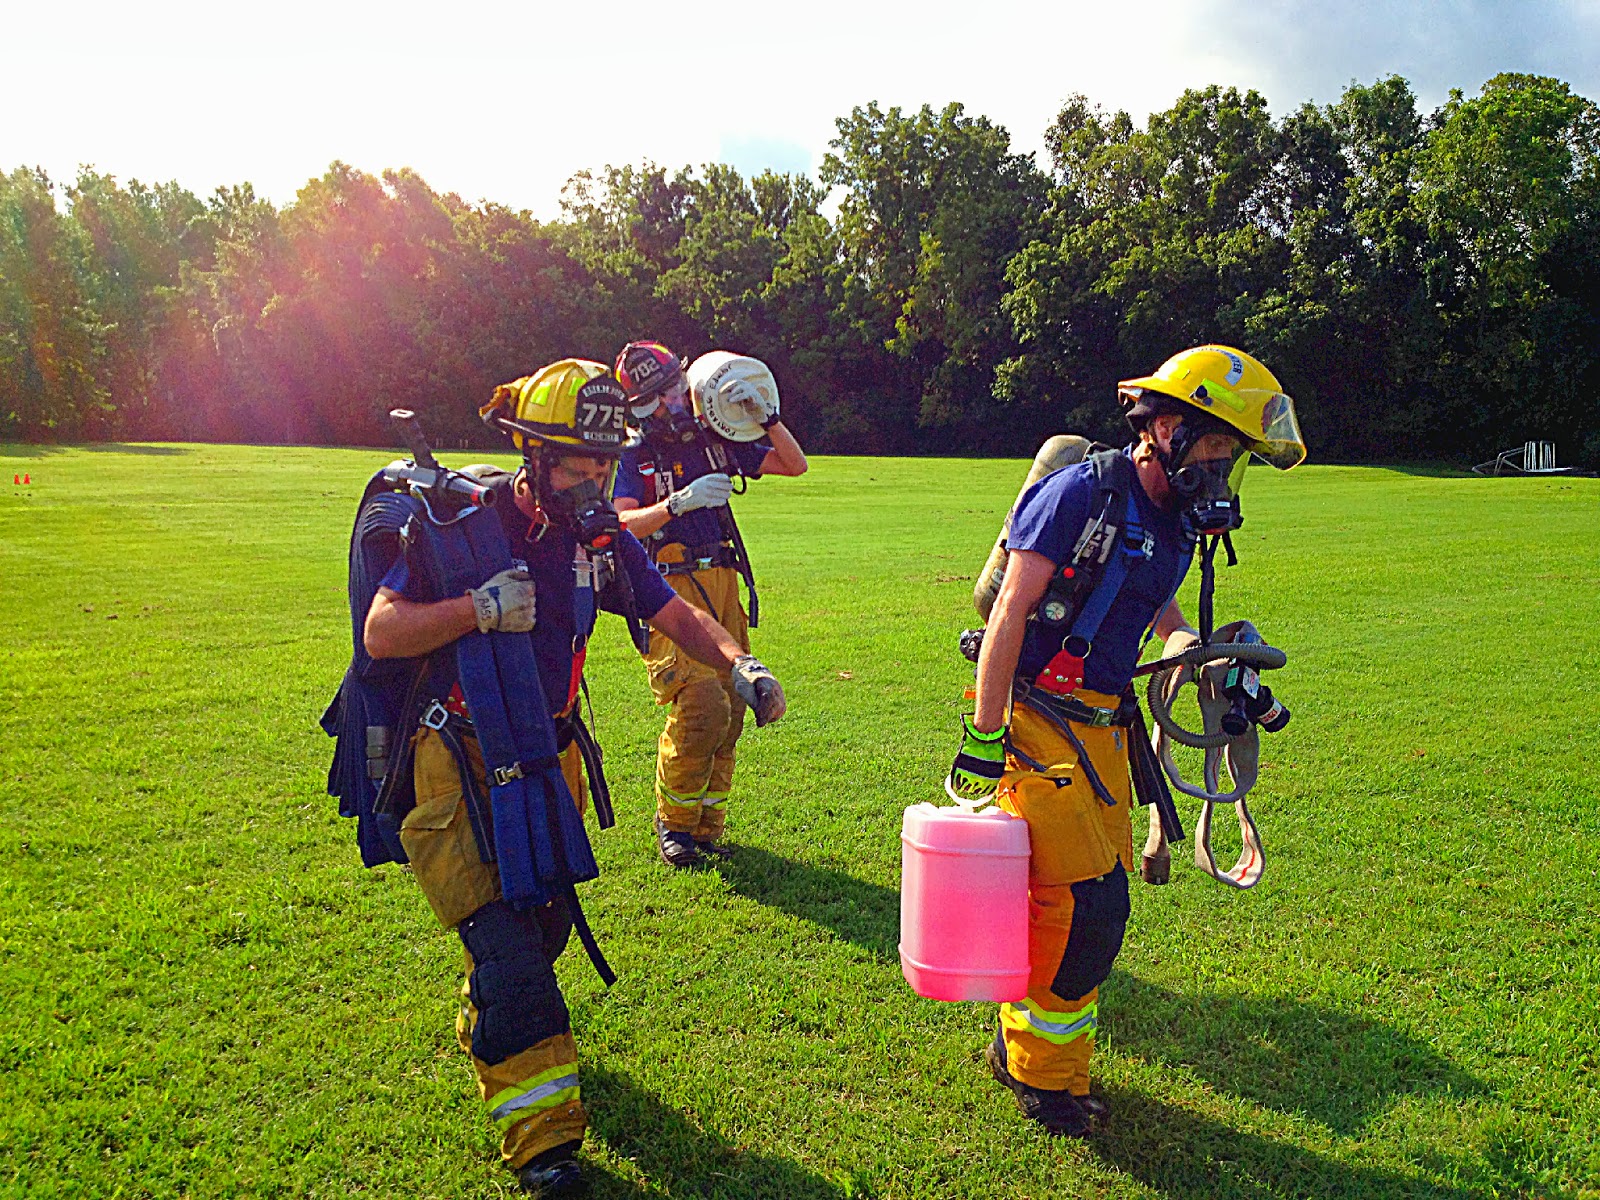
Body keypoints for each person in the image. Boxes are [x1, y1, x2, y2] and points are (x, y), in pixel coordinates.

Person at [362, 359, 787, 1195]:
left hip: (550, 758)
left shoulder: (601, 540)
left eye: (602, 465)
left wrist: (740, 665)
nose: (594, 482)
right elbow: (383, 630)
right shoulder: (464, 527)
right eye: (574, 466)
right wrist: (478, 608)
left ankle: (489, 1009)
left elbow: (673, 611)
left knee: (544, 929)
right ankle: (543, 1147)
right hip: (462, 758)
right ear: (531, 455)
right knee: (515, 957)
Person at [948, 344, 1305, 1136]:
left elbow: (1159, 610)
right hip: (1037, 716)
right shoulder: (1081, 493)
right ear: (1168, 430)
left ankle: (1035, 1058)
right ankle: (1039, 1076)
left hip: (1105, 726)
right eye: (1219, 449)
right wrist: (985, 733)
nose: (1224, 472)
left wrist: (1199, 657)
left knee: (1091, 901)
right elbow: (1010, 610)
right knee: (1088, 905)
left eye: (1234, 458)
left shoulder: (1174, 520)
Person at [609, 342, 808, 868]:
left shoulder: (714, 438)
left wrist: (766, 416)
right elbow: (619, 524)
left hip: (721, 580)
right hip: (667, 588)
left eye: (673, 389)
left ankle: (707, 826)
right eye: (656, 398)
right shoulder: (634, 456)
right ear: (638, 406)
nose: (670, 404)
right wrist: (677, 504)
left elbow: (795, 464)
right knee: (701, 705)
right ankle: (674, 826)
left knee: (734, 706)